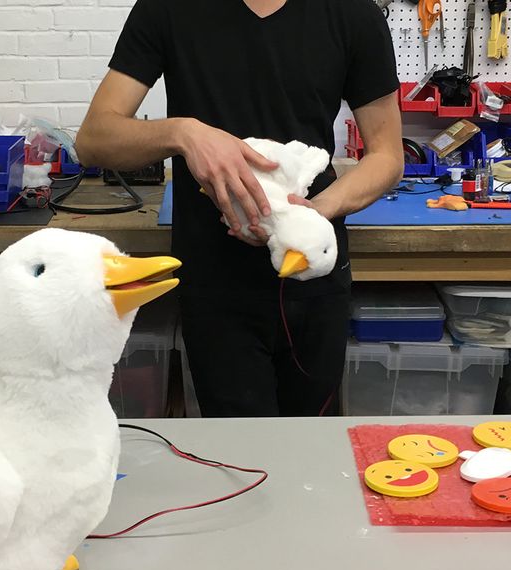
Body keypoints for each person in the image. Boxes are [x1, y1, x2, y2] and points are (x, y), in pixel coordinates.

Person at [75, 0, 403, 417]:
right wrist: (184, 132)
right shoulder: (167, 9)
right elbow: (93, 139)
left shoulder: (352, 13)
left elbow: (387, 156)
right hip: (215, 280)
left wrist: (311, 215)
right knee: (237, 457)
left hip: (311, 278)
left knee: (311, 448)